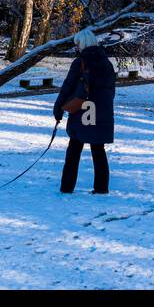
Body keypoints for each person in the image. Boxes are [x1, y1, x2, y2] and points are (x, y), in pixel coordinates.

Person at [53, 28, 116, 194]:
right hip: (101, 112)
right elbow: (112, 92)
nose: (76, 48)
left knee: (74, 149)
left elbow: (67, 87)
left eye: (77, 45)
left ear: (82, 44)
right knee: (98, 150)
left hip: (82, 111)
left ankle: (67, 187)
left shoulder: (79, 63)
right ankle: (101, 188)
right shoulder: (107, 64)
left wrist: (58, 108)